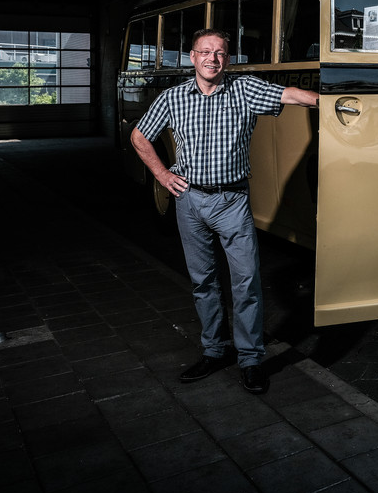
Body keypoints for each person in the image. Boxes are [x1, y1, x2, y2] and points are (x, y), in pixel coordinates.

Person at [131, 28, 318, 394]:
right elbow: (140, 136)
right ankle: (214, 351)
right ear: (192, 57)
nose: (212, 59)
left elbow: (292, 95)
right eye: (205, 52)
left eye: (219, 53)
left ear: (227, 59)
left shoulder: (244, 89)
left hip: (232, 201)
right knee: (204, 283)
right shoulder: (172, 98)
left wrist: (336, 99)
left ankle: (250, 360)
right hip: (189, 201)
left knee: (246, 282)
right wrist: (161, 173)